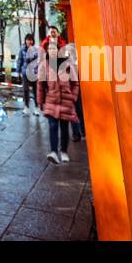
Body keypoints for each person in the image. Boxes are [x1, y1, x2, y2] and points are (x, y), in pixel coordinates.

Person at [37, 26, 80, 164]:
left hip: (66, 101)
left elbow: (75, 83)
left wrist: (73, 97)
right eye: (50, 49)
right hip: (51, 100)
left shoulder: (67, 65)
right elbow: (40, 85)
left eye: (54, 49)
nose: (52, 51)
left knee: (64, 128)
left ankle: (64, 151)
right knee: (53, 126)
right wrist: (40, 101)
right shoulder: (44, 66)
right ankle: (54, 152)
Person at [17, 33, 39, 114]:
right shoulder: (22, 50)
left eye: (31, 40)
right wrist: (18, 72)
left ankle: (36, 107)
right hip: (25, 73)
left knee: (35, 91)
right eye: (28, 40)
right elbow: (19, 61)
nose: (30, 41)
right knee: (26, 90)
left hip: (34, 73)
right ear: (25, 41)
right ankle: (26, 107)